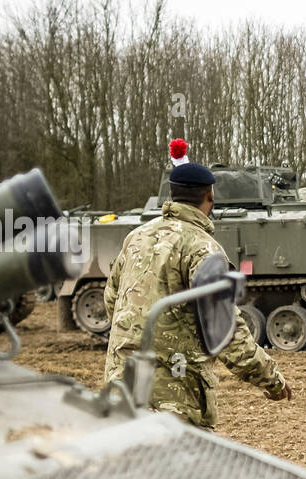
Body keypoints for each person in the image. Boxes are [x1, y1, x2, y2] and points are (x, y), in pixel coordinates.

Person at [104, 140, 290, 429]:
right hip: (175, 395)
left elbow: (111, 299)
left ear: (172, 194)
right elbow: (225, 329)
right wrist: (271, 379)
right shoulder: (203, 247)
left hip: (122, 383)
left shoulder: (136, 237)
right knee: (188, 471)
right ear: (210, 196)